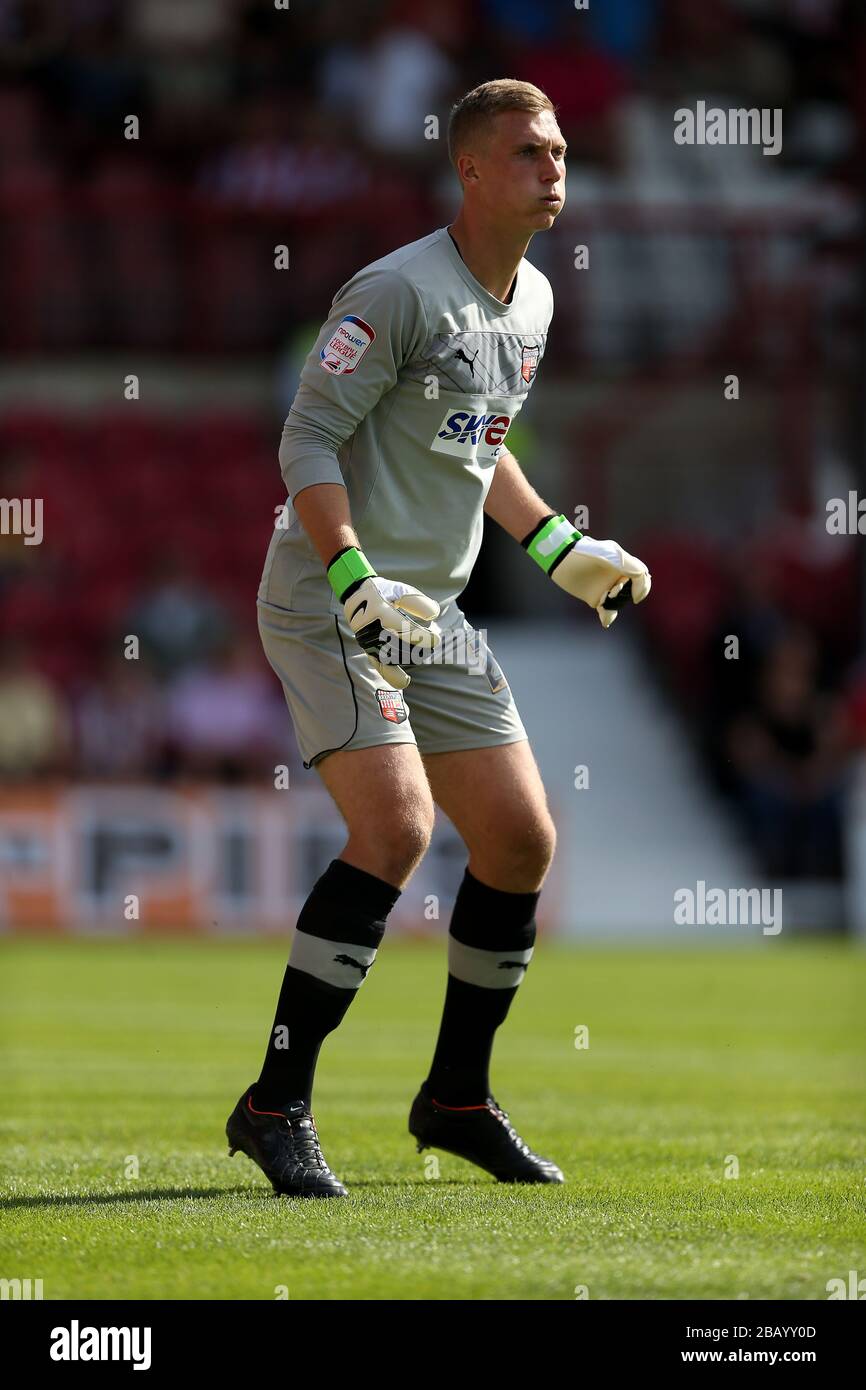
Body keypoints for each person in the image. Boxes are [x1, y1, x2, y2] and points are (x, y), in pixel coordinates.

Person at [226, 78, 651, 1198]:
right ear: (467, 169)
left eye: (557, 150)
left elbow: (481, 443)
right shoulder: (397, 289)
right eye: (526, 152)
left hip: (434, 609)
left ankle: (454, 1099)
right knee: (398, 828)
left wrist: (559, 547)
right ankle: (273, 1104)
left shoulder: (534, 303)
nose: (551, 167)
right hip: (332, 595)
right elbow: (306, 441)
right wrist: (354, 572)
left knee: (517, 840)